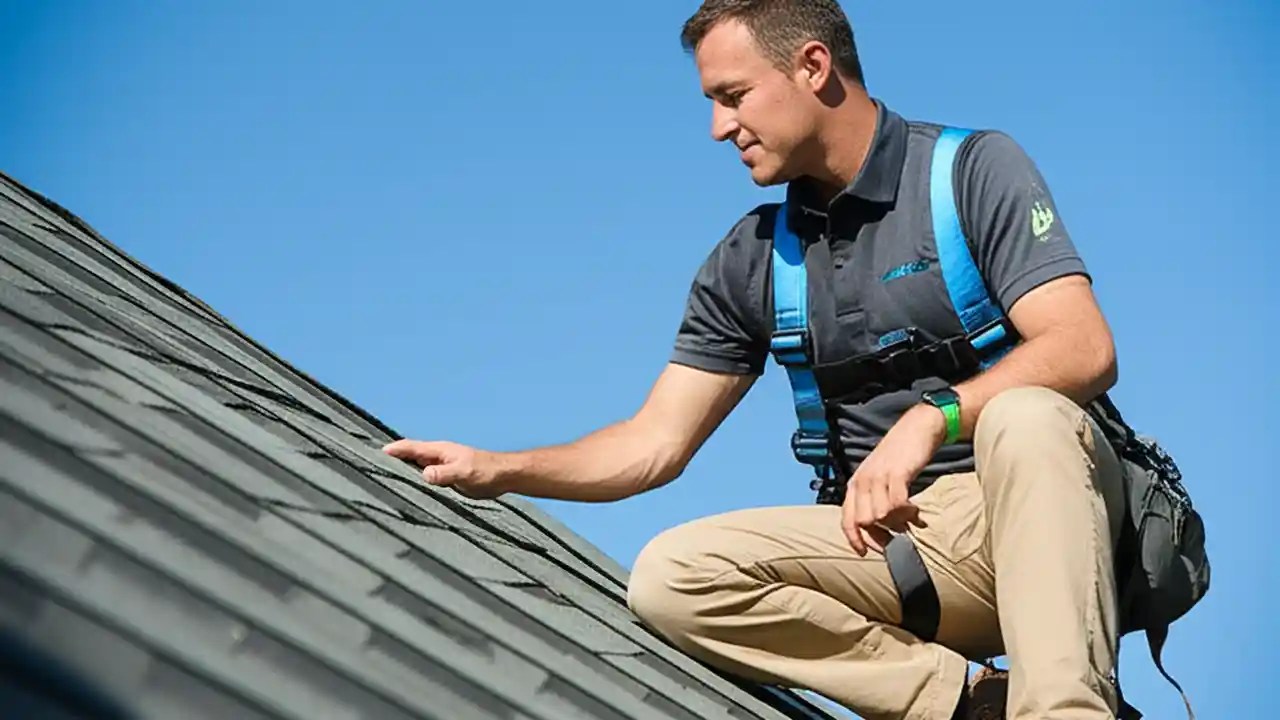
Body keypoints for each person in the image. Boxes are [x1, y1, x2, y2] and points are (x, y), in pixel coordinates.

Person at [384, 1, 1130, 717]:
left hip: (1046, 510)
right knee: (672, 576)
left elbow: (1083, 347)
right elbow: (652, 445)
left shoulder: (970, 171)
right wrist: (500, 470)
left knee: (1027, 417)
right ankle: (969, 705)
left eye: (732, 96)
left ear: (812, 66)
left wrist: (931, 420)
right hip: (902, 546)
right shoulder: (754, 259)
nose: (717, 128)